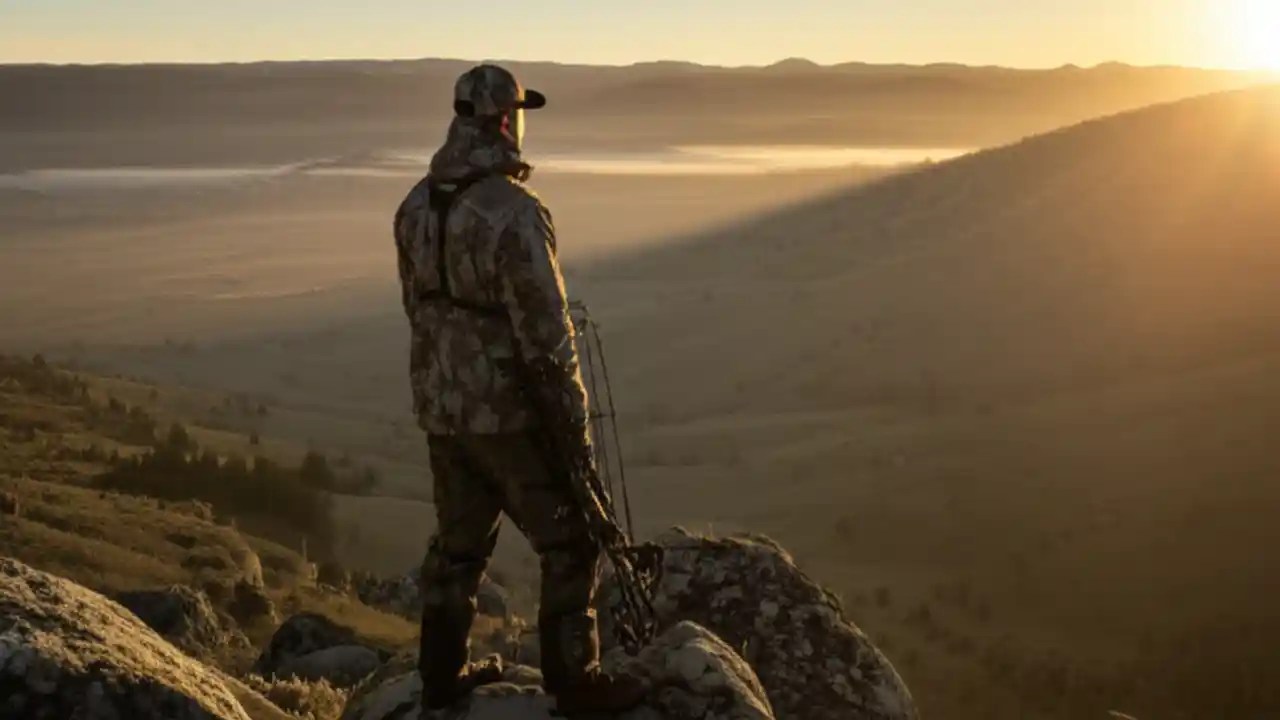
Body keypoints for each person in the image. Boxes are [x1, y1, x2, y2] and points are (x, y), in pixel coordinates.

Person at [392, 63, 647, 714]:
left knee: (458, 546)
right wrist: (573, 428)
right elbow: (547, 335)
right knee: (572, 542)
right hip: (509, 413)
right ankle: (575, 683)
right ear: (506, 122)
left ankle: (440, 677)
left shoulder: (414, 207)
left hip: (441, 409)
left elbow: (416, 308)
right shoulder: (517, 214)